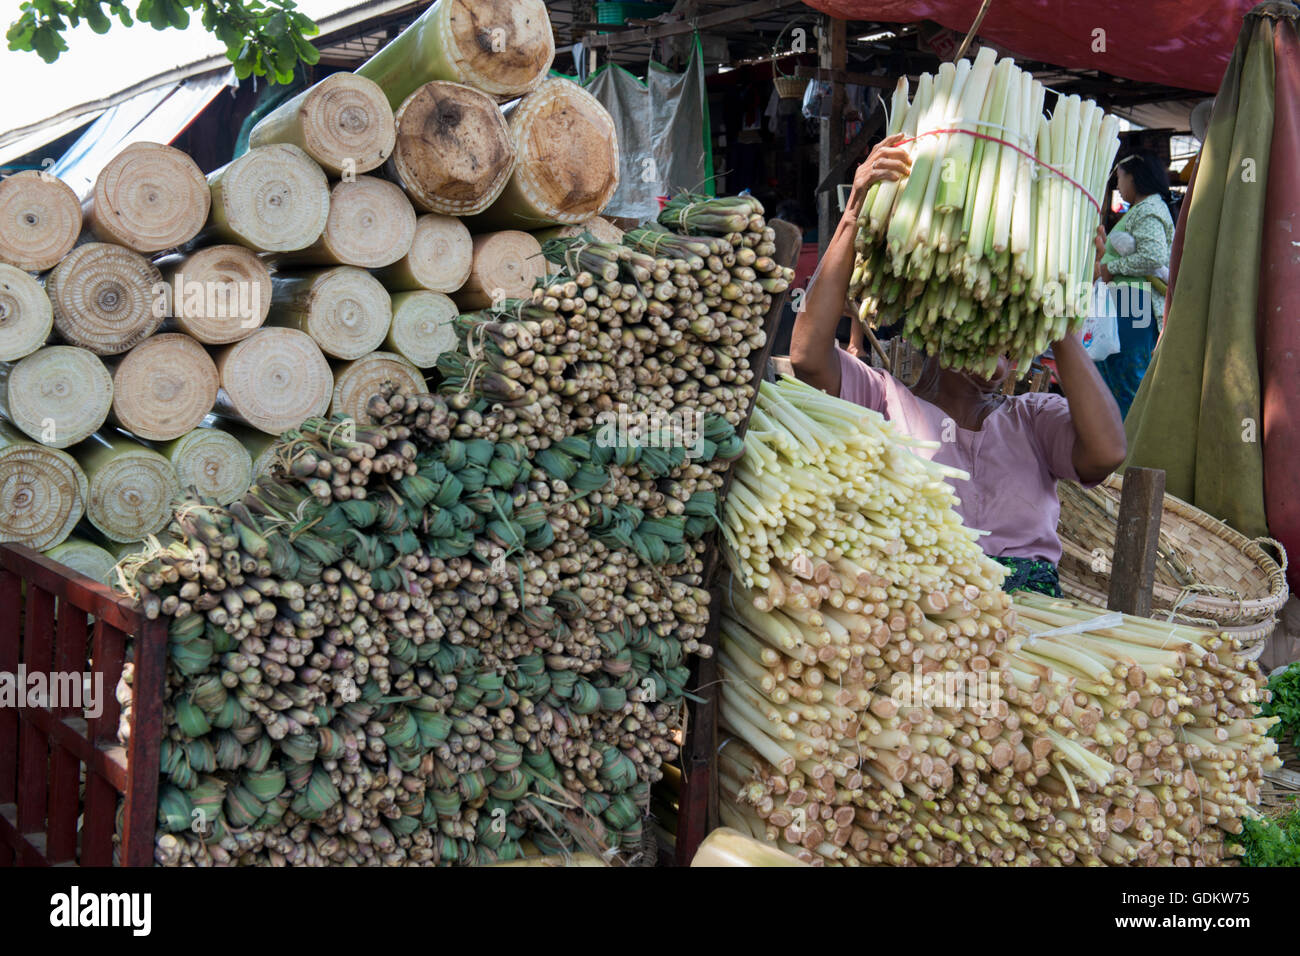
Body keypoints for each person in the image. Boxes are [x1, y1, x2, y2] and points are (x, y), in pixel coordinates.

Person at [790, 135, 1128, 597]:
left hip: (1032, 618)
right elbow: (807, 358)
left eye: (1011, 347)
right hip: (927, 611)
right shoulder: (887, 401)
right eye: (982, 335)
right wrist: (852, 217)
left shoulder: (1031, 419)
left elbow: (1106, 454)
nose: (996, 363)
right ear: (936, 332)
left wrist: (1057, 306)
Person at [1093, 151, 1176, 417]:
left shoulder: (1150, 209)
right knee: (1114, 368)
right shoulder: (1142, 209)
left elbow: (1153, 257)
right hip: (1125, 299)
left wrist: (1109, 267)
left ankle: (1128, 441)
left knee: (1128, 371)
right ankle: (1119, 437)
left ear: (1135, 178)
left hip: (1134, 301)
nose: (1118, 186)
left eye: (1120, 178)